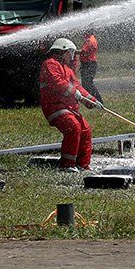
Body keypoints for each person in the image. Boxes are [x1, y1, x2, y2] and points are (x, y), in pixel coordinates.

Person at [39, 38, 102, 171]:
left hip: (69, 108)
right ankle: (67, 165)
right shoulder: (49, 64)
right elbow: (57, 83)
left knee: (86, 130)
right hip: (55, 107)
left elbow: (78, 86)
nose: (72, 56)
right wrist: (74, 93)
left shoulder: (67, 70)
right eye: (70, 52)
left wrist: (92, 100)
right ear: (62, 51)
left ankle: (83, 165)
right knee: (73, 127)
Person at [78, 29, 102, 103]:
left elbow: (83, 51)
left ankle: (98, 101)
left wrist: (72, 51)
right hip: (88, 63)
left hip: (89, 64)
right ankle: (91, 101)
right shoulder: (90, 39)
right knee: (86, 84)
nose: (83, 32)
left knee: (87, 84)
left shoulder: (90, 40)